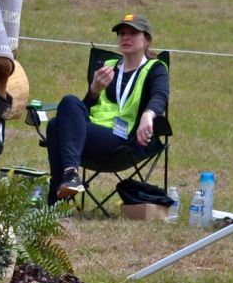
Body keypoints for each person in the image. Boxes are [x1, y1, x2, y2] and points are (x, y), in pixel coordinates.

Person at [46, 12, 170, 202]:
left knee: (56, 126)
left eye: (132, 33)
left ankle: (57, 200)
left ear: (147, 40)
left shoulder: (155, 68)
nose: (125, 37)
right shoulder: (108, 66)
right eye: (121, 33)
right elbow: (84, 110)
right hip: (93, 133)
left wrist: (148, 115)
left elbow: (160, 96)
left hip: (124, 140)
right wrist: (94, 89)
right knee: (68, 103)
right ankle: (70, 176)